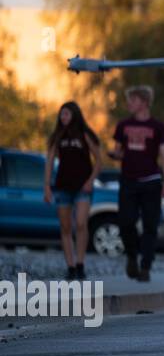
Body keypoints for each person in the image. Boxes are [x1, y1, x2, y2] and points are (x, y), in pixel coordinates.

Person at [109, 86, 164, 283]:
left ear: (144, 102)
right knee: (126, 222)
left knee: (149, 225)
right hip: (128, 181)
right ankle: (131, 256)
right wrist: (115, 155)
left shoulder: (158, 127)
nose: (129, 104)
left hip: (151, 182)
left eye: (133, 100)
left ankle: (145, 266)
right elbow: (118, 151)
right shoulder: (123, 125)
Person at [42, 101, 103, 280]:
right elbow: (49, 161)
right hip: (62, 187)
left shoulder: (86, 134)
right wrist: (46, 186)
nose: (63, 117)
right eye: (61, 114)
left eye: (67, 114)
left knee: (81, 223)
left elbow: (99, 161)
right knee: (66, 227)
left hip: (83, 187)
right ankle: (70, 267)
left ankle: (80, 263)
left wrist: (91, 181)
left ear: (75, 114)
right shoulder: (57, 137)